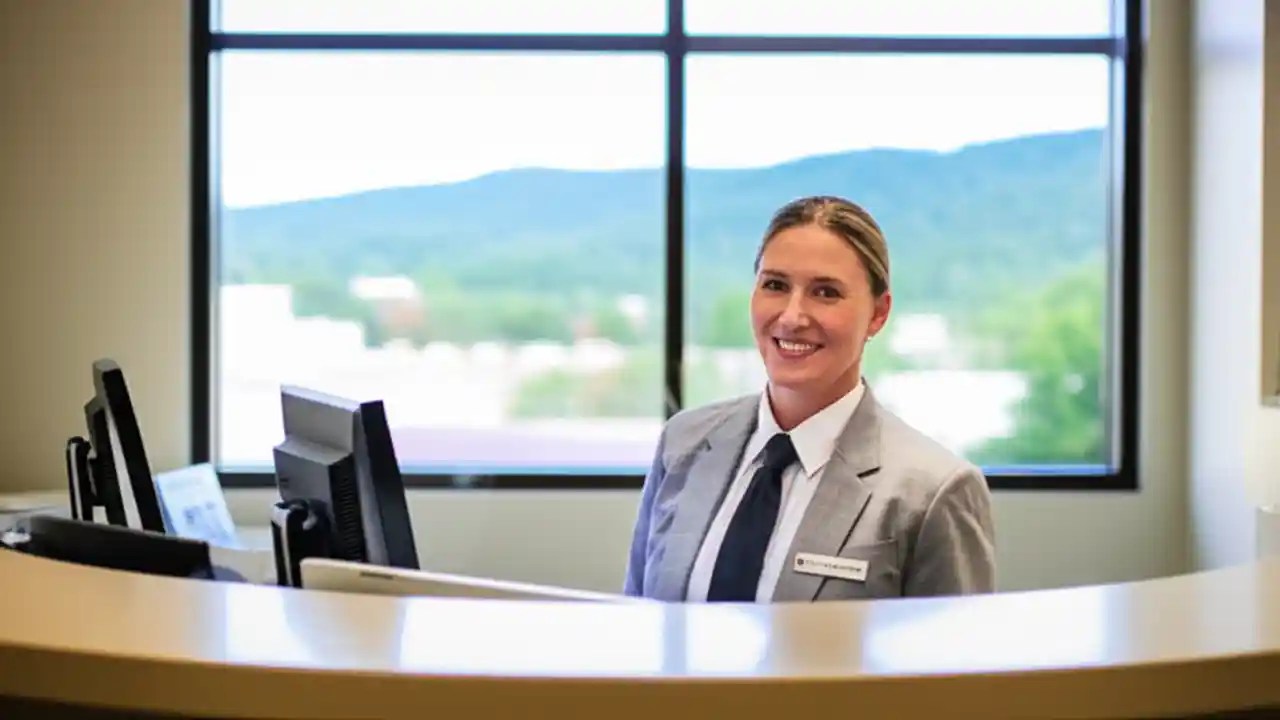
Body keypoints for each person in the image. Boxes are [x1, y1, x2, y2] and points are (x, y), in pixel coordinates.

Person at [623, 195, 995, 602]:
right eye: (775, 285)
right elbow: (641, 627)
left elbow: (951, 662)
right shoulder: (684, 444)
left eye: (826, 292)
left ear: (878, 313)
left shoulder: (933, 491)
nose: (792, 317)